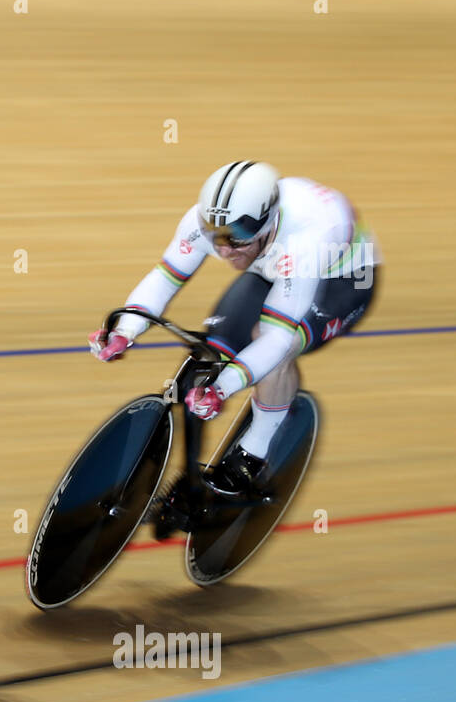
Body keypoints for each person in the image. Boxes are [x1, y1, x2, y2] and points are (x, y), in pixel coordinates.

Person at [89, 161, 380, 494]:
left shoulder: (305, 240)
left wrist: (223, 388)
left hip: (344, 278)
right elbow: (166, 276)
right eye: (215, 236)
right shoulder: (213, 223)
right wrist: (125, 330)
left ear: (268, 223)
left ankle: (254, 453)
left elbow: (276, 339)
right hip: (272, 263)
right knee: (218, 346)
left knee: (272, 348)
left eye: (237, 239)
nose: (224, 248)